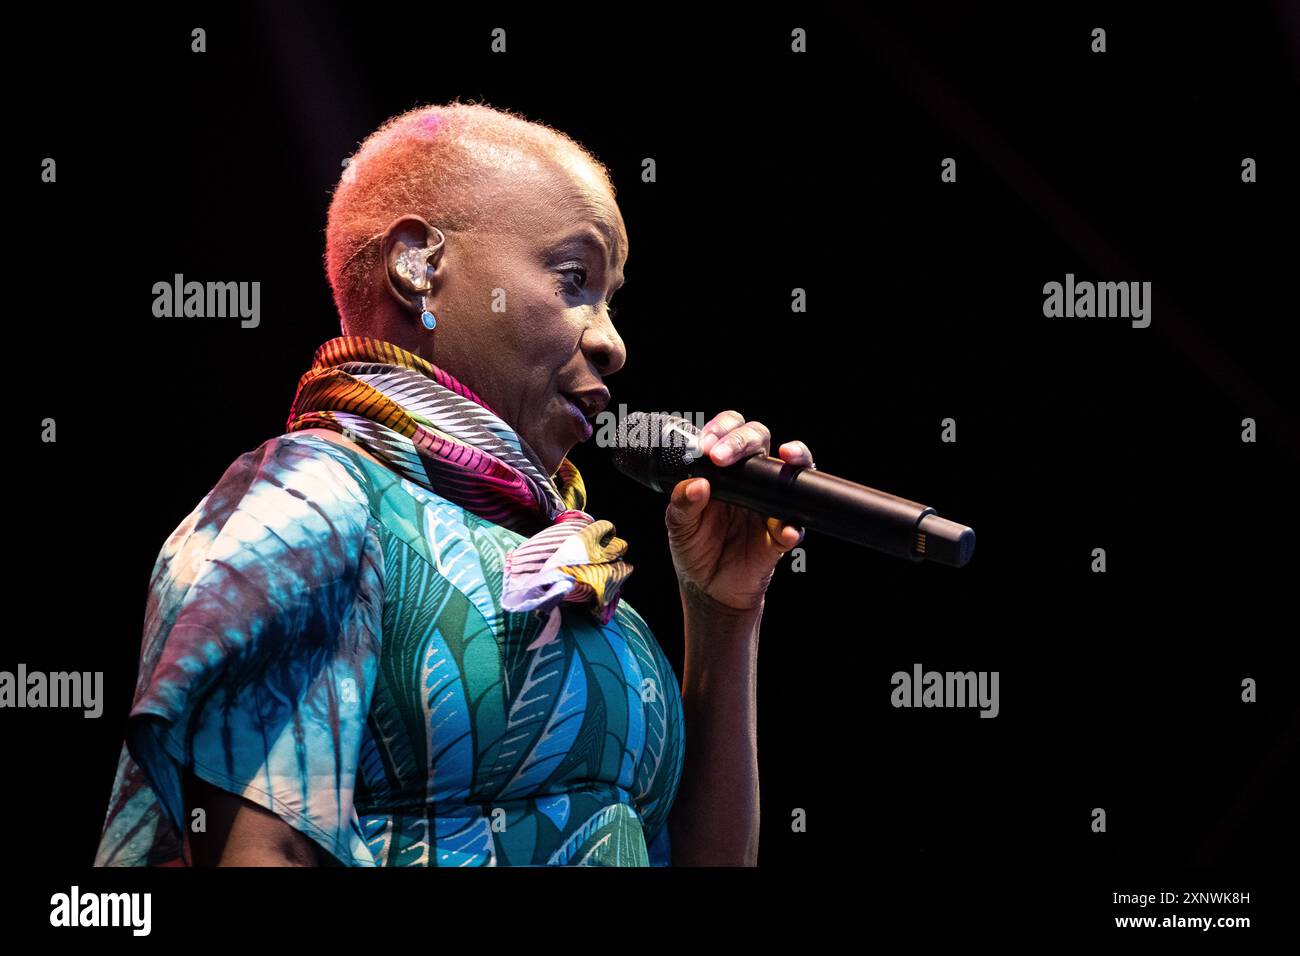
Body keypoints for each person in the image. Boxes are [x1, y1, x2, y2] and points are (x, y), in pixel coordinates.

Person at [93, 100, 814, 867]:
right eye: (575, 280)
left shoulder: (571, 565)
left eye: (610, 301)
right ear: (419, 266)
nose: (612, 343)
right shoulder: (317, 497)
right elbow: (260, 854)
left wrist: (722, 611)